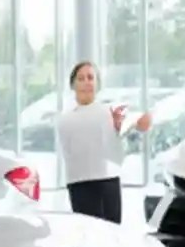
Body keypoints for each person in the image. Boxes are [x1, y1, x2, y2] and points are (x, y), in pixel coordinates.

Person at [56, 61, 151, 224]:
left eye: (90, 78)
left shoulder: (111, 111)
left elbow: (143, 123)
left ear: (97, 83)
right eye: (81, 78)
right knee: (87, 235)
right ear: (73, 85)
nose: (86, 82)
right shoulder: (64, 119)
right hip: (79, 183)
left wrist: (135, 120)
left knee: (110, 235)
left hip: (107, 181)